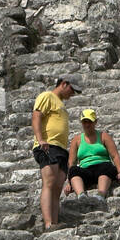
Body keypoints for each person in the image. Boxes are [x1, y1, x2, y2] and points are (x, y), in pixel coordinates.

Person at [31, 77, 79, 229]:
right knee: (49, 182)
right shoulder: (47, 96)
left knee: (58, 185)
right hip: (48, 145)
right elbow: (36, 116)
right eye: (72, 89)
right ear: (64, 84)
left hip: (60, 148)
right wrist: (40, 139)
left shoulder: (61, 104)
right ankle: (48, 223)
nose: (73, 94)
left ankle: (55, 221)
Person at [65, 107, 120, 201]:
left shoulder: (104, 136)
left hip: (102, 166)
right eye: (85, 122)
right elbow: (71, 162)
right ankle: (81, 195)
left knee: (107, 168)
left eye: (90, 121)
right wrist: (69, 182)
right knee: (74, 170)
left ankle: (101, 194)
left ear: (95, 122)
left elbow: (114, 155)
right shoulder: (76, 140)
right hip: (85, 169)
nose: (87, 124)